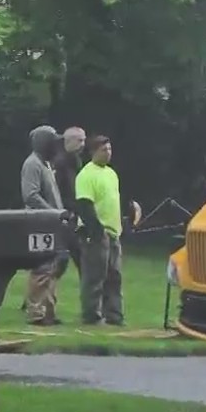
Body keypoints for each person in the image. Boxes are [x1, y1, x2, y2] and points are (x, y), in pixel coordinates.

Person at [74, 134, 133, 326]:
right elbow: (84, 204)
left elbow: (114, 201)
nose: (108, 153)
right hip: (96, 233)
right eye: (103, 150)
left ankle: (115, 315)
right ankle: (91, 315)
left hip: (114, 232)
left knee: (114, 276)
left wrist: (123, 222)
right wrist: (96, 231)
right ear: (93, 152)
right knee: (95, 277)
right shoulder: (86, 174)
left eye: (109, 149)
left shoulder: (111, 174)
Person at [18, 125, 67, 326]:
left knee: (53, 266)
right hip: (39, 223)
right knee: (41, 267)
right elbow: (30, 195)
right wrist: (52, 212)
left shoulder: (44, 163)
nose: (56, 145)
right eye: (53, 141)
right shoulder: (32, 164)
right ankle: (36, 313)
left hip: (50, 222)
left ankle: (48, 312)